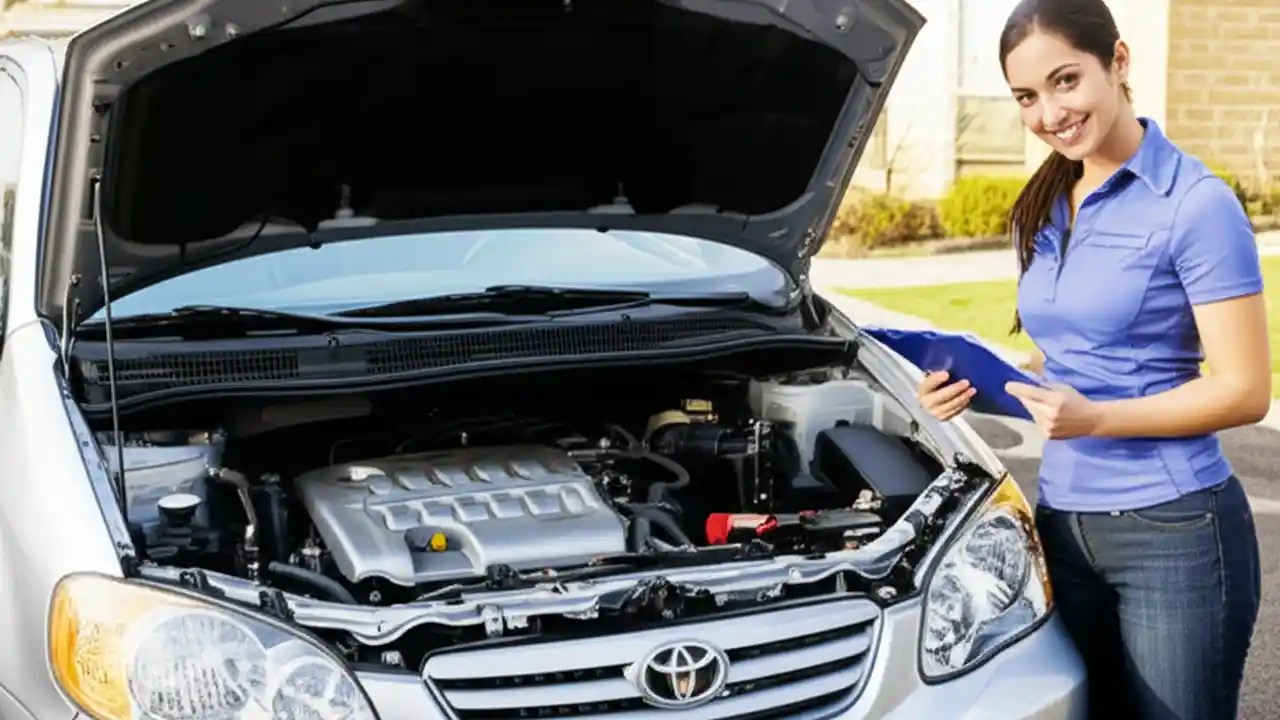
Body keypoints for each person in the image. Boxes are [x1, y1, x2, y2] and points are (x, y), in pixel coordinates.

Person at [916, 1, 1270, 718]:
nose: (1049, 112)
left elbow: (1246, 391)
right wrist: (976, 385)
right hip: (1062, 523)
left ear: (1119, 62)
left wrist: (1099, 418)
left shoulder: (1197, 205)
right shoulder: (1047, 203)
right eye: (1026, 97)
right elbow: (1072, 360)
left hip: (1174, 529)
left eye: (1066, 80)